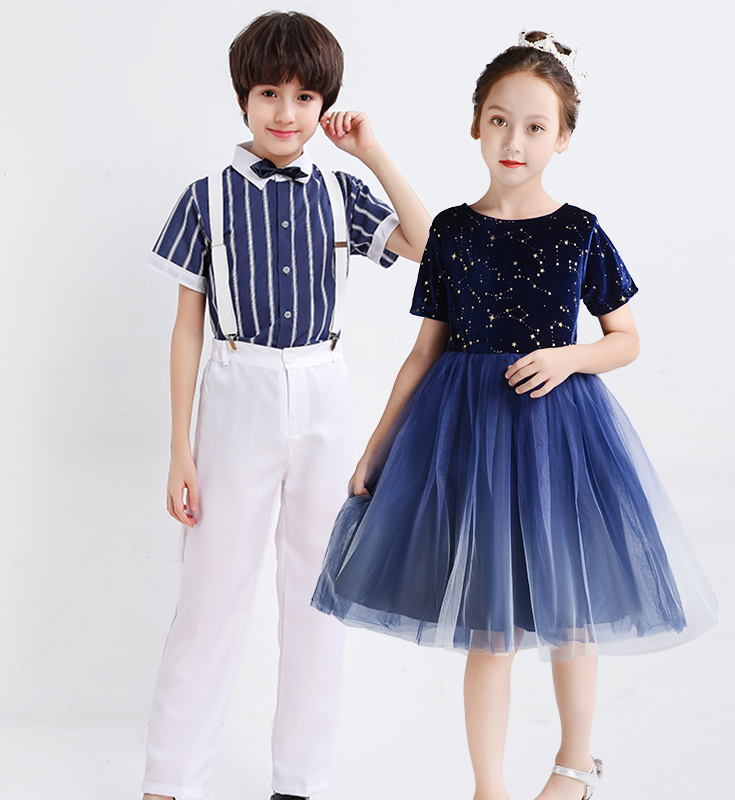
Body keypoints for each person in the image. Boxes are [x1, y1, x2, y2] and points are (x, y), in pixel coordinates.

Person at [312, 30, 718, 800]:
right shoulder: (451, 233)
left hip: (558, 436)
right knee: (489, 622)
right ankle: (488, 788)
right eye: (499, 121)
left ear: (562, 138)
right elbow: (423, 352)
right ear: (475, 123)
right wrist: (375, 448)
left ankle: (575, 765)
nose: (514, 141)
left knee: (569, 609)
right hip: (468, 437)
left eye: (535, 126)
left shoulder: (579, 231)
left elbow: (626, 340)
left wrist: (568, 358)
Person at [141, 11, 430, 800]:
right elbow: (186, 331)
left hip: (325, 390)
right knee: (211, 596)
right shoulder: (205, 198)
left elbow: (429, 244)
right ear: (243, 97)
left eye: (305, 97)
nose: (285, 112)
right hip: (238, 388)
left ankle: (298, 782)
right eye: (269, 92)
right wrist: (179, 449)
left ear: (324, 105)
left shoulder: (341, 192)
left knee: (318, 596)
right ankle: (169, 782)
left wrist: (371, 152)